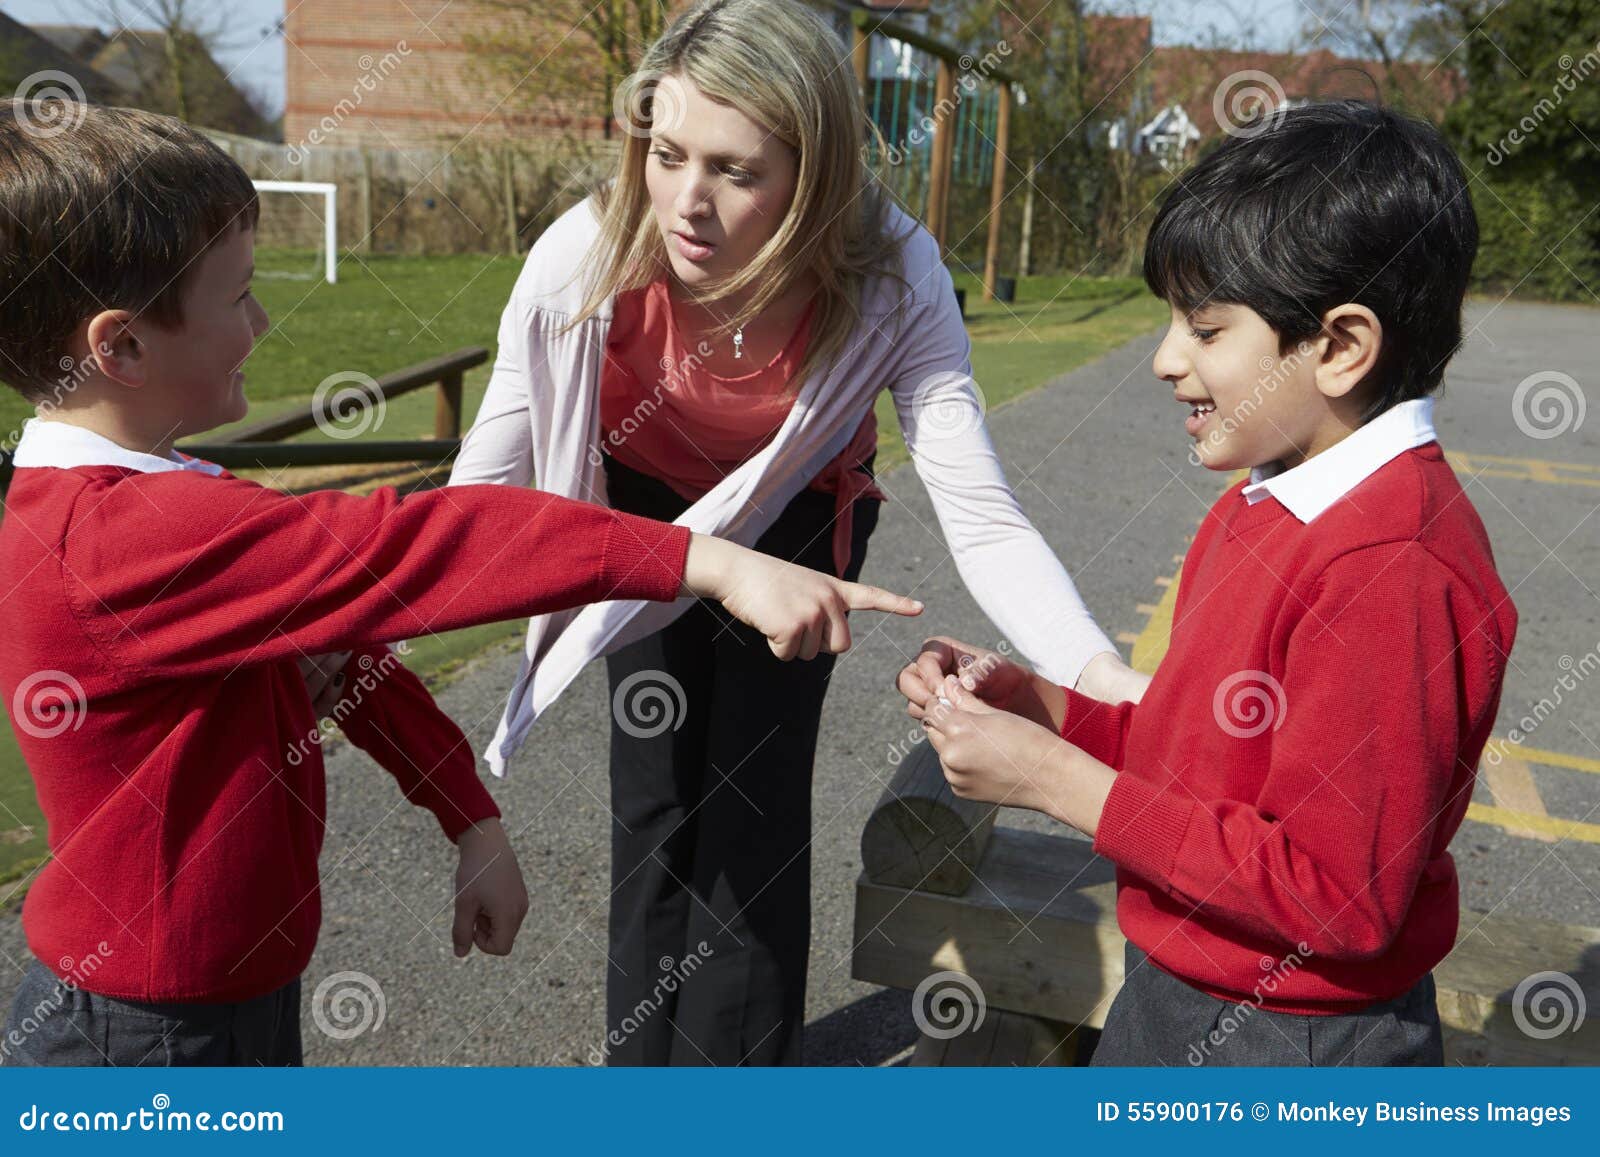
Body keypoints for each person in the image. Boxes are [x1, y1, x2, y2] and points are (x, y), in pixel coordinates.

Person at [0, 102, 920, 1066]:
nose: (263, 322)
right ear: (124, 347)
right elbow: (421, 546)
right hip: (145, 1033)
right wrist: (709, 558)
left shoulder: (167, 500)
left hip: (223, 993)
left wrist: (468, 814)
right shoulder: (115, 539)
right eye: (237, 298)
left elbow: (346, 654)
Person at [447, 0, 1145, 1065]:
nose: (688, 201)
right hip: (645, 509)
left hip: (799, 519)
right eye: (668, 154)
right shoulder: (583, 256)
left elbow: (982, 512)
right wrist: (349, 630)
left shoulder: (892, 276)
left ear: (812, 174)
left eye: (736, 170)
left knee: (752, 804)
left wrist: (1104, 680)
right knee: (656, 795)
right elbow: (482, 486)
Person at [902, 101, 1517, 1066]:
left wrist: (1063, 785)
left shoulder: (1392, 568)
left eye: (1206, 327)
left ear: (1341, 346)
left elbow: (1338, 894)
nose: (1165, 359)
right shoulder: (1264, 502)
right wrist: (1048, 714)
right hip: (1182, 990)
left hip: (1300, 1045)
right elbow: (1209, 752)